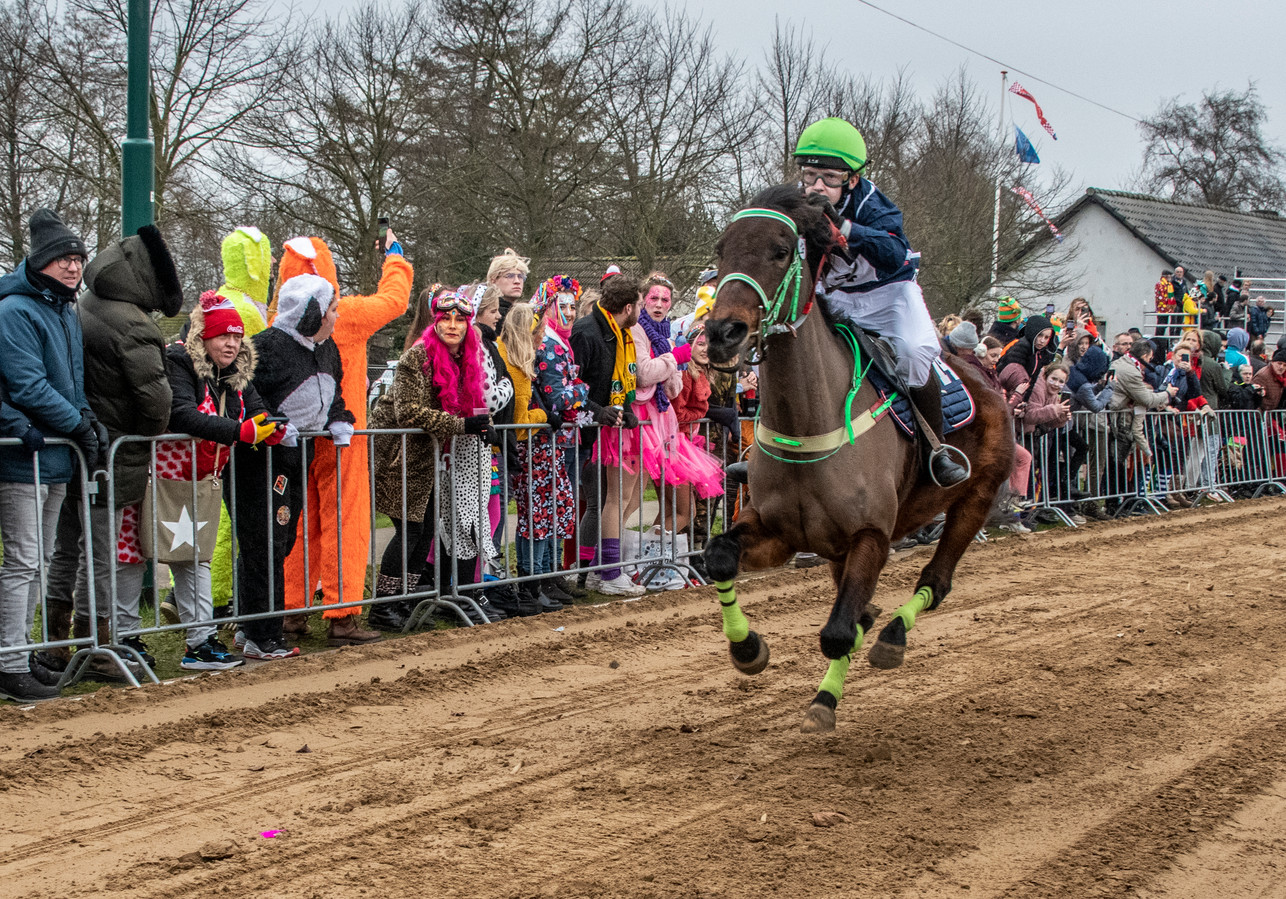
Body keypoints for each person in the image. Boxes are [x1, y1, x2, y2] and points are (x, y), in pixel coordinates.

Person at [794, 117, 968, 486]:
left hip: (888, 295)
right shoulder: (798, 202)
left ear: (852, 179)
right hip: (834, 295)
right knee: (787, 342)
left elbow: (893, 253)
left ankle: (934, 450)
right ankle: (776, 456)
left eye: (829, 178)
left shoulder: (875, 205)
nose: (817, 186)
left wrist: (847, 230)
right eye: (810, 176)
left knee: (913, 350)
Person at [50, 222, 183, 674]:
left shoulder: (81, 305)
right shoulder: (135, 326)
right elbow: (157, 402)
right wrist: (146, 432)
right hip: (113, 454)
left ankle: (54, 644)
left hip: (71, 447)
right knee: (102, 551)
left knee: (66, 548)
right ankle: (100, 644)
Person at [273, 232, 412, 646]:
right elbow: (395, 298)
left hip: (294, 437)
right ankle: (342, 614)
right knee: (346, 520)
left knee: (294, 523)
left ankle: (289, 613)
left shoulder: (275, 320)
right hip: (342, 435)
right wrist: (394, 257)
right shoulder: (346, 314)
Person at [0, 209, 98, 701]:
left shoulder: (62, 310)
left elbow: (71, 383)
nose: (72, 266)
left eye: (78, 258)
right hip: (24, 456)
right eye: (62, 258)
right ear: (39, 262)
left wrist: (85, 417)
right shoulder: (15, 310)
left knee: (36, 562)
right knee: (22, 561)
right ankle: (9, 660)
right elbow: (28, 385)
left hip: (54, 454)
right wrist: (78, 424)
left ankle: (22, 653)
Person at [368, 287, 506, 627]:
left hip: (428, 458)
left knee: (426, 530)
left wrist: (480, 424)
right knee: (409, 531)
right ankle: (383, 606)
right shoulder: (417, 356)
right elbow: (408, 412)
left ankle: (407, 602)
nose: (453, 325)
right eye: (446, 318)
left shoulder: (465, 356)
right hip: (398, 457)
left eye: (460, 319)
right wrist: (463, 425)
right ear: (435, 321)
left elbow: (469, 400)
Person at [234, 273, 353, 660]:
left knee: (282, 542)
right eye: (332, 309)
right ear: (312, 311)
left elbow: (333, 389)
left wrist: (338, 418)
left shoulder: (327, 347)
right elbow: (243, 390)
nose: (337, 316)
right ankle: (260, 634)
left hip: (298, 454)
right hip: (261, 458)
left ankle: (251, 625)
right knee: (263, 543)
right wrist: (272, 423)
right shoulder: (267, 346)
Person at [161, 291, 282, 669]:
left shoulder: (236, 369)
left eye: (236, 336)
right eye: (222, 336)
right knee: (136, 561)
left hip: (203, 478)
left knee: (195, 558)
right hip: (167, 476)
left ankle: (201, 641)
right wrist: (238, 432)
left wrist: (270, 426)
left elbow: (257, 407)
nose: (231, 343)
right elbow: (180, 414)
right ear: (203, 337)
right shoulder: (179, 360)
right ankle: (133, 640)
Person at [569, 273, 646, 596]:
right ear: (628, 307)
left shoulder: (619, 335)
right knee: (593, 499)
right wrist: (597, 410)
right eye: (640, 304)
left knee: (599, 499)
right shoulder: (587, 333)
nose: (640, 310)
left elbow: (615, 385)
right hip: (580, 432)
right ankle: (581, 571)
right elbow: (571, 383)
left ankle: (587, 572)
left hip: (602, 431)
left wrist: (621, 411)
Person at [529, 276, 591, 605]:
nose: (568, 312)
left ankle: (554, 573)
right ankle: (543, 576)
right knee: (547, 509)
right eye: (561, 306)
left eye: (572, 307)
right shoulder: (548, 343)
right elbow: (558, 398)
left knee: (561, 507)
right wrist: (583, 390)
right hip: (549, 438)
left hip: (566, 437)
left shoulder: (560, 341)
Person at [496, 302, 551, 617]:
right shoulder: (516, 365)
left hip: (510, 450)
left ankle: (518, 584)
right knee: (504, 519)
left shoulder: (512, 357)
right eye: (538, 332)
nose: (541, 337)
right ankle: (509, 585)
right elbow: (518, 422)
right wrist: (545, 415)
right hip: (511, 450)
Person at [997, 315, 1056, 402]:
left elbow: (1032, 381)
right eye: (1040, 335)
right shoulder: (1021, 347)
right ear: (1033, 333)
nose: (1042, 340)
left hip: (1019, 393)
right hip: (1007, 394)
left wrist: (1025, 402)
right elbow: (1013, 378)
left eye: (1046, 337)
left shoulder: (1038, 352)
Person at [486, 248, 529, 321]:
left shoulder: (523, 314)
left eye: (520, 276)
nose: (517, 281)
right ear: (493, 280)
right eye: (510, 276)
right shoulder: (488, 314)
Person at [1154, 270, 1177, 337]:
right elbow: (1160, 297)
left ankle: (1161, 339)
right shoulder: (1160, 284)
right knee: (1161, 325)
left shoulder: (1169, 284)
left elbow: (1171, 296)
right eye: (1169, 275)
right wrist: (1165, 307)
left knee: (1164, 325)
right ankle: (1158, 339)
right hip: (1162, 309)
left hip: (1168, 308)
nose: (1171, 277)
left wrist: (1171, 307)